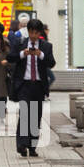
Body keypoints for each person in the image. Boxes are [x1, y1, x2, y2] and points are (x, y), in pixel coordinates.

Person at [9, 18, 55, 157]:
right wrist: (24, 54)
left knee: (36, 116)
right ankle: (22, 144)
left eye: (36, 32)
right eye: (31, 32)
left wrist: (40, 55)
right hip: (24, 84)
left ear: (40, 32)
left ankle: (32, 146)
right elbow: (11, 57)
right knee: (25, 113)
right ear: (28, 31)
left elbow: (51, 63)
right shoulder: (20, 43)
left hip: (39, 86)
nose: (34, 35)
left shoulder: (46, 46)